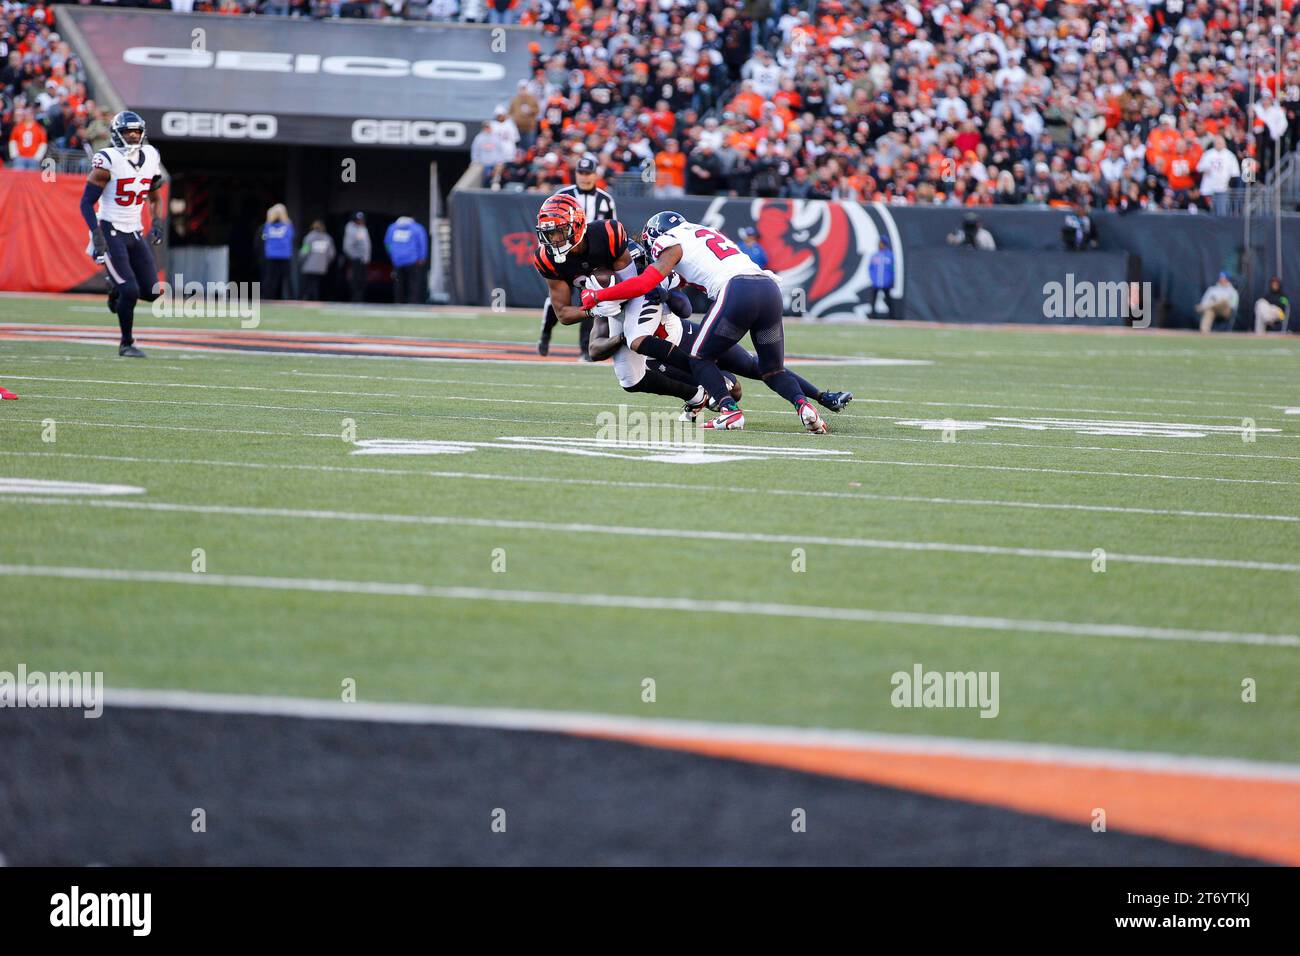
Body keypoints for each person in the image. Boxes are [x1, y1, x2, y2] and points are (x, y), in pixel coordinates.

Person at [582, 211, 851, 433]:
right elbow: (679, 288)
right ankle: (806, 407)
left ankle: (729, 411)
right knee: (772, 369)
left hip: (738, 291)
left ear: (655, 237)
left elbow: (646, 282)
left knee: (700, 359)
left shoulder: (670, 242)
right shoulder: (703, 234)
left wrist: (598, 295)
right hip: (768, 290)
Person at [79, 110, 165, 358]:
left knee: (151, 291)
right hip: (110, 228)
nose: (133, 135)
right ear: (117, 134)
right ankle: (126, 343)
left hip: (134, 231)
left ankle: (114, 289)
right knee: (131, 291)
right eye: (128, 131)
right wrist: (96, 234)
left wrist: (156, 221)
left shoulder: (150, 156)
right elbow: (86, 203)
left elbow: (155, 194)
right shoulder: (107, 160)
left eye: (137, 131)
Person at [538, 155, 616, 358]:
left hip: (589, 256)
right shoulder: (562, 195)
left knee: (590, 299)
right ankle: (546, 333)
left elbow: (611, 231)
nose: (584, 177)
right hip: (563, 254)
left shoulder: (605, 199)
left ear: (596, 174)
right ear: (575, 174)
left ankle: (585, 349)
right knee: (555, 301)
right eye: (581, 172)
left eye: (588, 172)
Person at [385, 215, 428, 304]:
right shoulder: (417, 228)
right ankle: (413, 302)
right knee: (413, 284)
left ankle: (398, 302)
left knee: (398, 284)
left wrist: (392, 255)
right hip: (413, 260)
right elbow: (422, 243)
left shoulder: (392, 228)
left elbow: (387, 244)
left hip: (397, 260)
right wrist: (422, 257)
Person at [1196, 136, 1240, 216]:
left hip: (1223, 188)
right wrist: (1206, 169)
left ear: (1224, 144)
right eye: (1217, 143)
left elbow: (1235, 173)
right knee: (1209, 212)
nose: (1218, 145)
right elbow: (1199, 168)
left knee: (1222, 212)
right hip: (1209, 188)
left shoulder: (1230, 156)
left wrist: (1229, 185)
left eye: (1220, 143)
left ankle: (1221, 228)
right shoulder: (1208, 154)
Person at [261, 204, 294, 300]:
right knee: (286, 279)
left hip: (273, 255)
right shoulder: (288, 225)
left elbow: (264, 237)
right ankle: (291, 298)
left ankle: (267, 297)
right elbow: (292, 236)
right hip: (283, 255)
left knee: (271, 278)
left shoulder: (267, 226)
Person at [298, 220, 335, 301]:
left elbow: (304, 252)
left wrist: (301, 261)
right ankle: (317, 300)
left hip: (308, 267)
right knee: (318, 285)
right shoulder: (327, 238)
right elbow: (331, 254)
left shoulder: (309, 237)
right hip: (321, 268)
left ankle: (308, 300)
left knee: (308, 285)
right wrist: (325, 263)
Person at [343, 212, 371, 303]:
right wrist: (354, 256)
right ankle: (355, 299)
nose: (361, 221)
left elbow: (366, 245)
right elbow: (347, 246)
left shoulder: (362, 229)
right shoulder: (351, 229)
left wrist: (366, 257)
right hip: (357, 259)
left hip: (363, 259)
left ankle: (359, 298)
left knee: (362, 280)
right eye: (359, 220)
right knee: (356, 280)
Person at [867, 240, 898, 320]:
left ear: (885, 244)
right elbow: (870, 268)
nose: (880, 245)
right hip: (876, 282)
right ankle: (872, 315)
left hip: (886, 282)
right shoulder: (875, 255)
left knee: (888, 299)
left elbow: (892, 269)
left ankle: (892, 316)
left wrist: (890, 280)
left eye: (882, 244)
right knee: (873, 300)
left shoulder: (889, 255)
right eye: (879, 244)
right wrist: (873, 279)